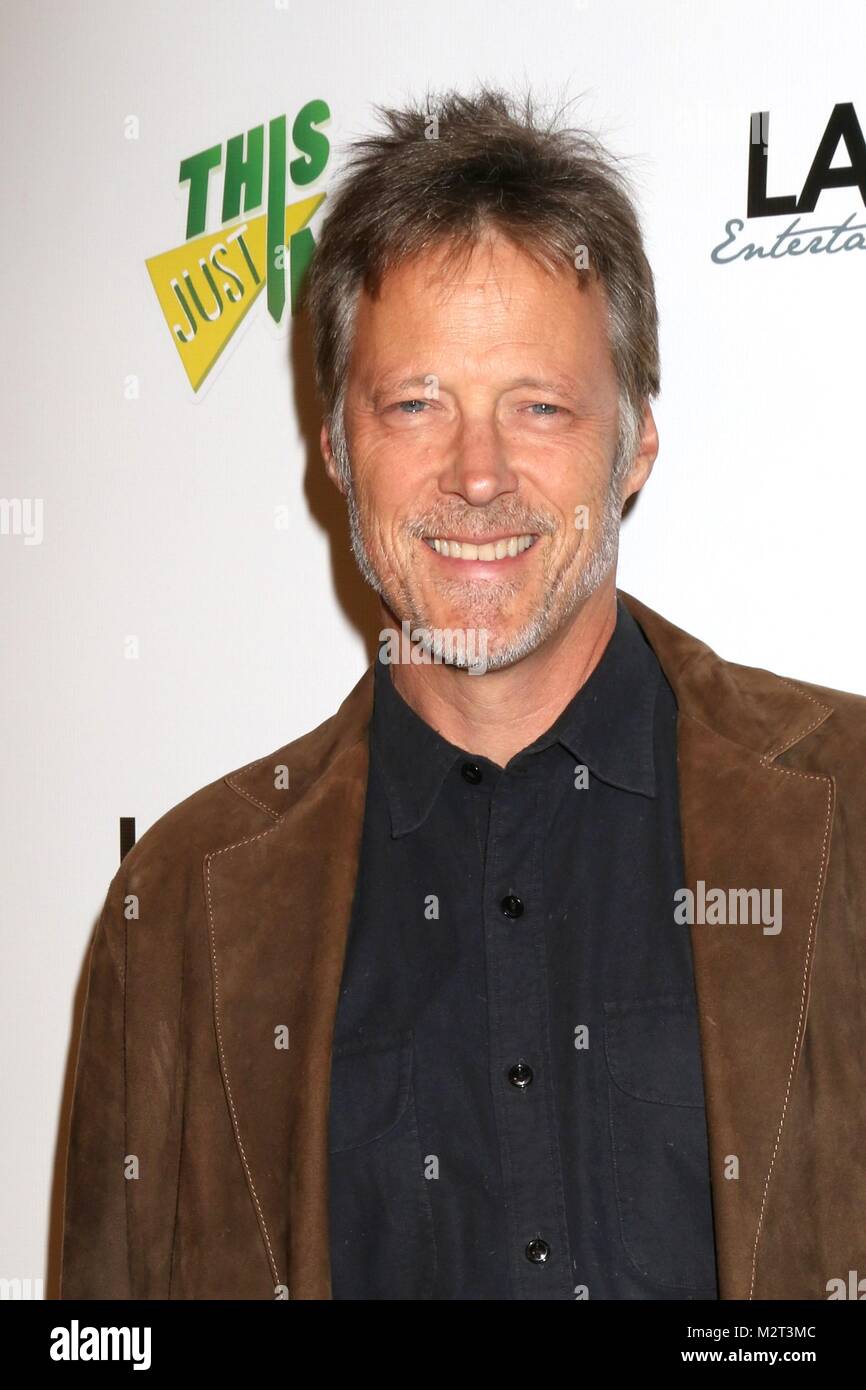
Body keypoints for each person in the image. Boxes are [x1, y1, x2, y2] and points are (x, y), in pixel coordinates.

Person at [60, 86, 866, 1301]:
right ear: (334, 447)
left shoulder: (847, 811)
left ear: (635, 438)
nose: (476, 474)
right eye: (414, 404)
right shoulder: (174, 910)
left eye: (537, 406)